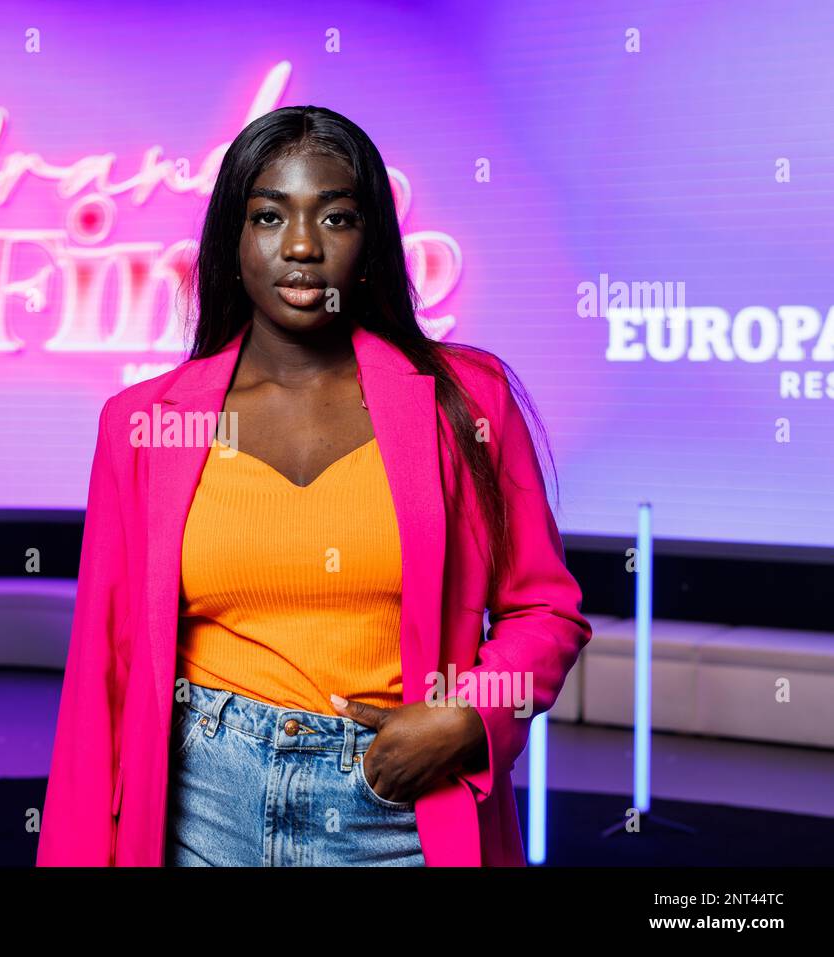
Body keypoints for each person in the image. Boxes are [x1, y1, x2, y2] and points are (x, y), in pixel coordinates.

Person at [36, 105, 591, 867]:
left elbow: (544, 609)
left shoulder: (467, 397)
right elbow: (102, 673)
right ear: (233, 242)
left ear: (369, 247)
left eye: (335, 217)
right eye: (269, 216)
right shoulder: (144, 423)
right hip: (199, 803)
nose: (300, 246)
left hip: (397, 804)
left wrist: (470, 719)